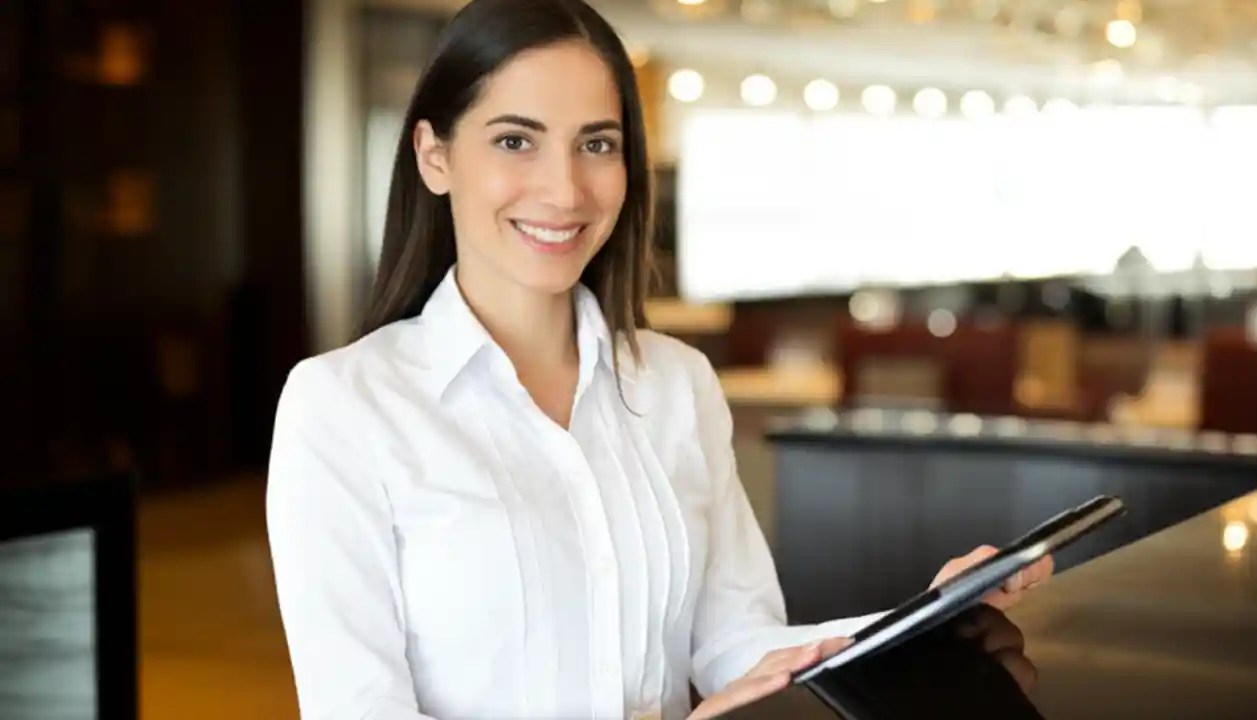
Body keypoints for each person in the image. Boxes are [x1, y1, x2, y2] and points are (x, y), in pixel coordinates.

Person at [265, 1, 1053, 718]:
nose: (564, 189)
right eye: (515, 140)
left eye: (596, 145)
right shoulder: (342, 407)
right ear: (434, 156)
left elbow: (737, 644)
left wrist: (920, 625)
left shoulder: (677, 383)